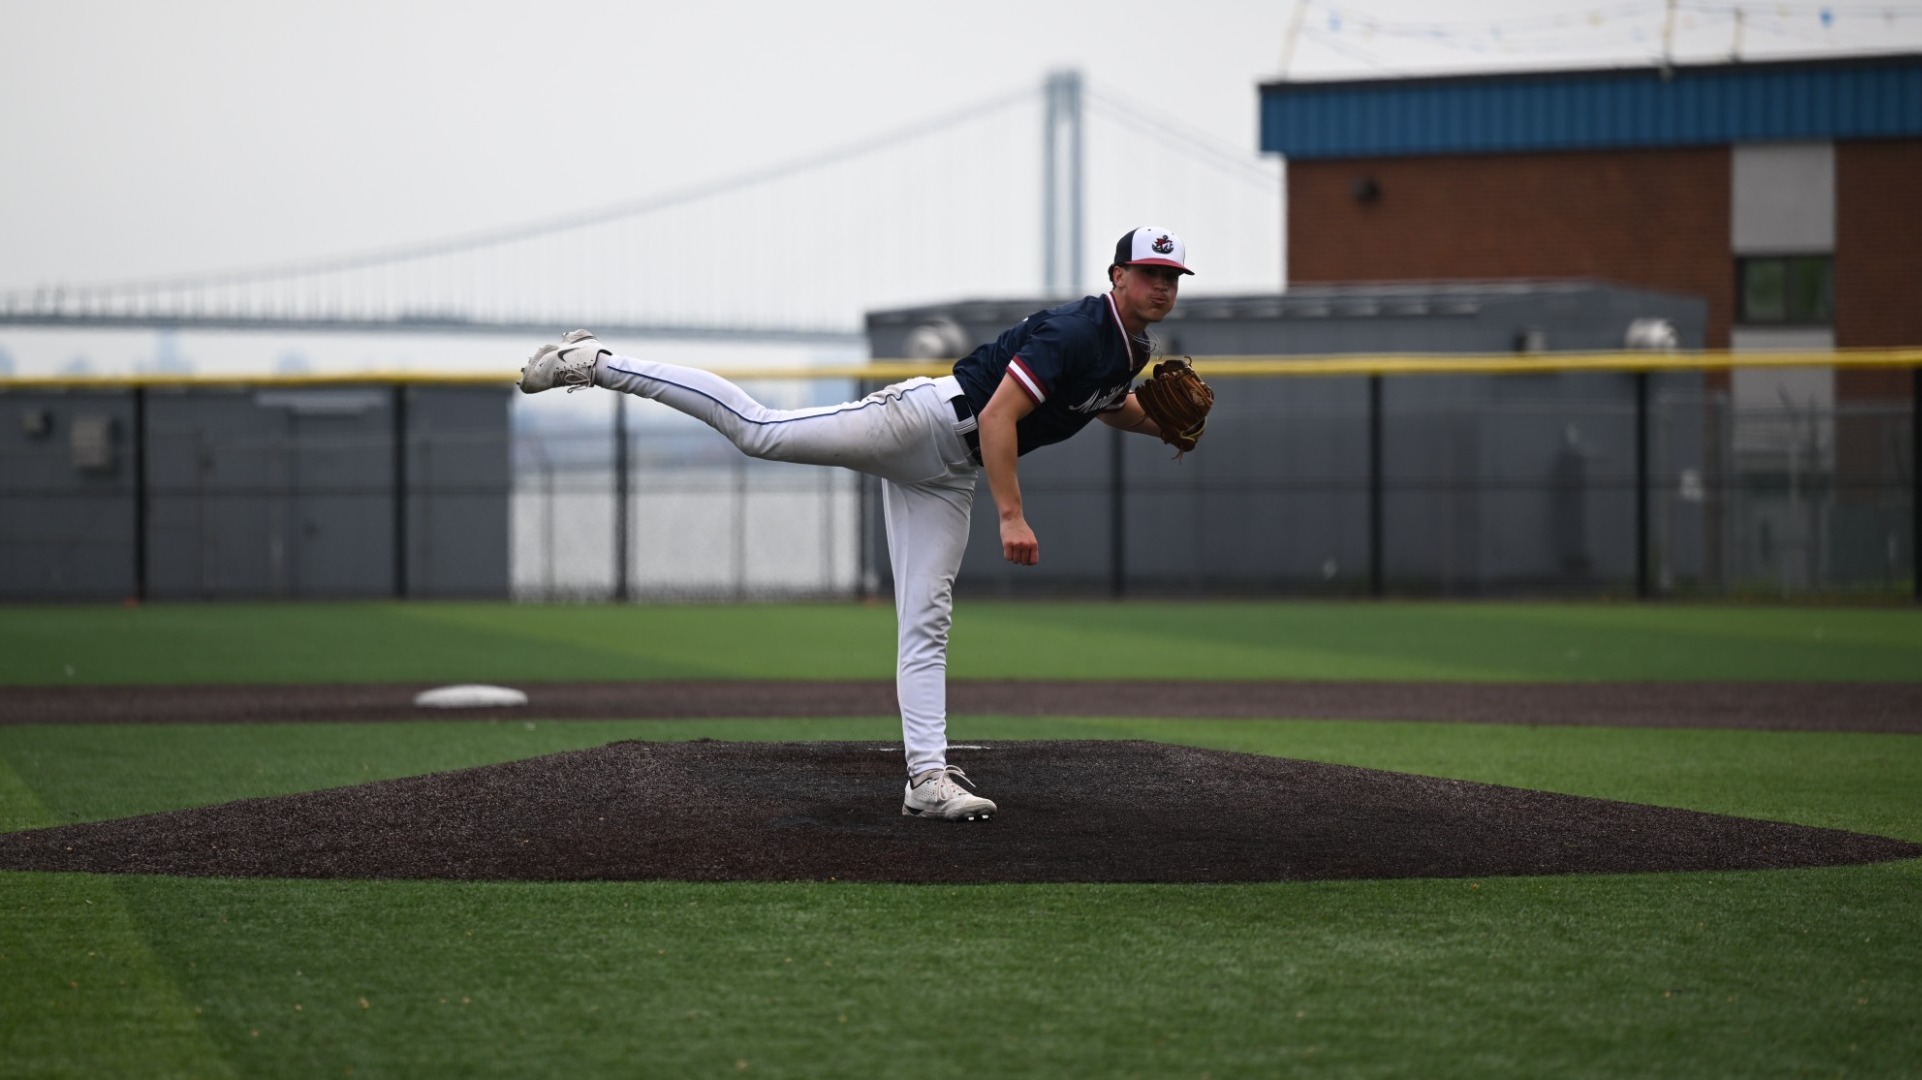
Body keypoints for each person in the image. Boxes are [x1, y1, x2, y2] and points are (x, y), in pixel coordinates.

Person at [517, 227, 1195, 821]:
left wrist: (1157, 420)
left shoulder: (1128, 349)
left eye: (1170, 277)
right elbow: (997, 417)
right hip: (922, 422)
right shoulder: (1077, 329)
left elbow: (1099, 405)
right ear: (1117, 275)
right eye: (1149, 273)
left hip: (945, 475)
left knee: (927, 618)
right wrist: (1011, 515)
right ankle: (598, 364)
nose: (1161, 286)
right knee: (759, 431)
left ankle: (927, 780)